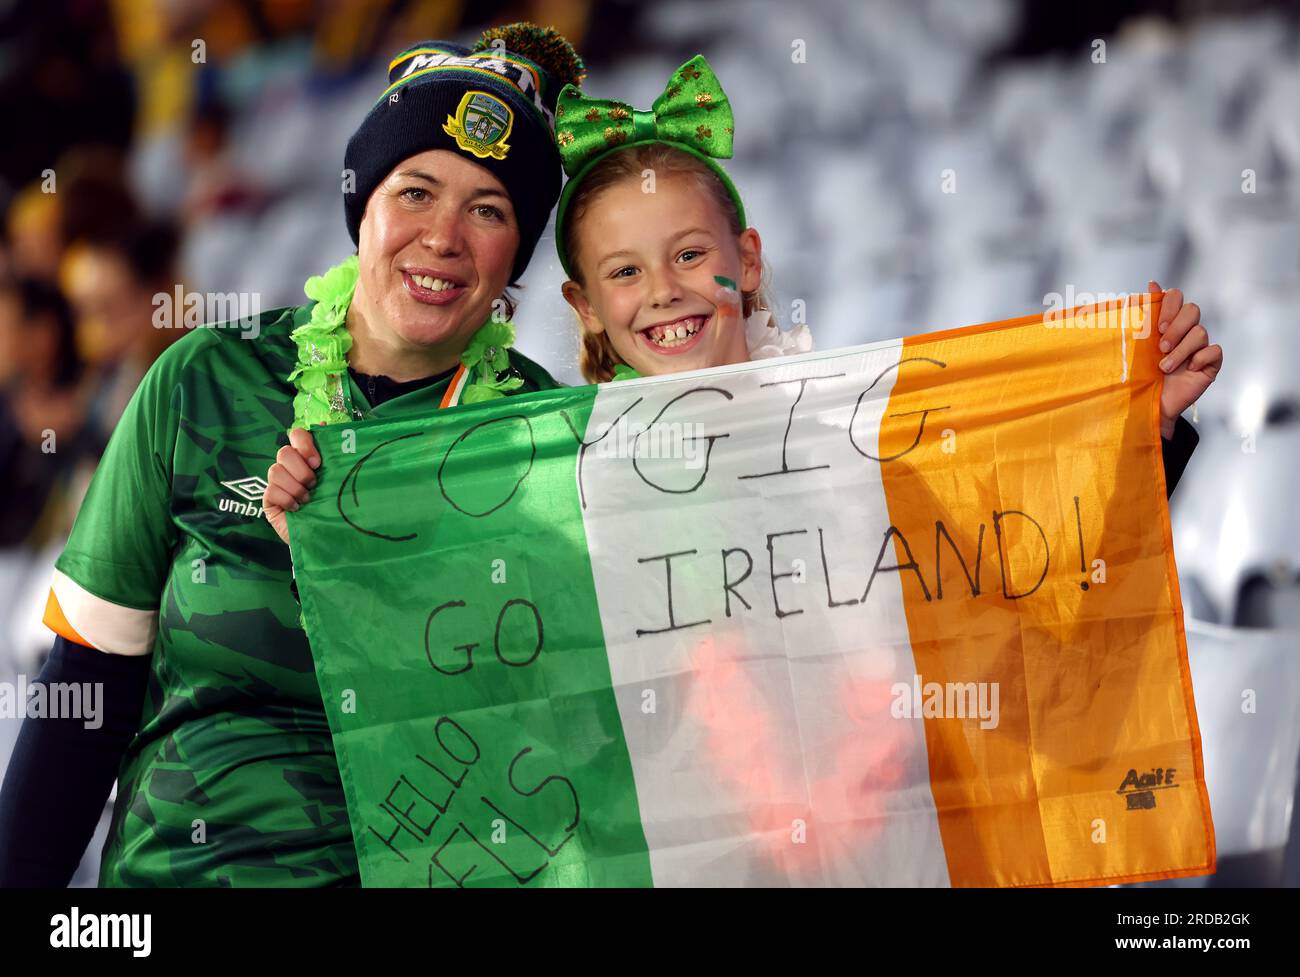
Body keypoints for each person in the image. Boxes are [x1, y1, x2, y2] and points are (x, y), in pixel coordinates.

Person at [0, 23, 585, 887]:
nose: (444, 237)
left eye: (489, 209)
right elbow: (82, 691)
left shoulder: (545, 440)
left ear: (519, 252)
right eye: (415, 192)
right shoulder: (201, 382)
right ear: (365, 209)